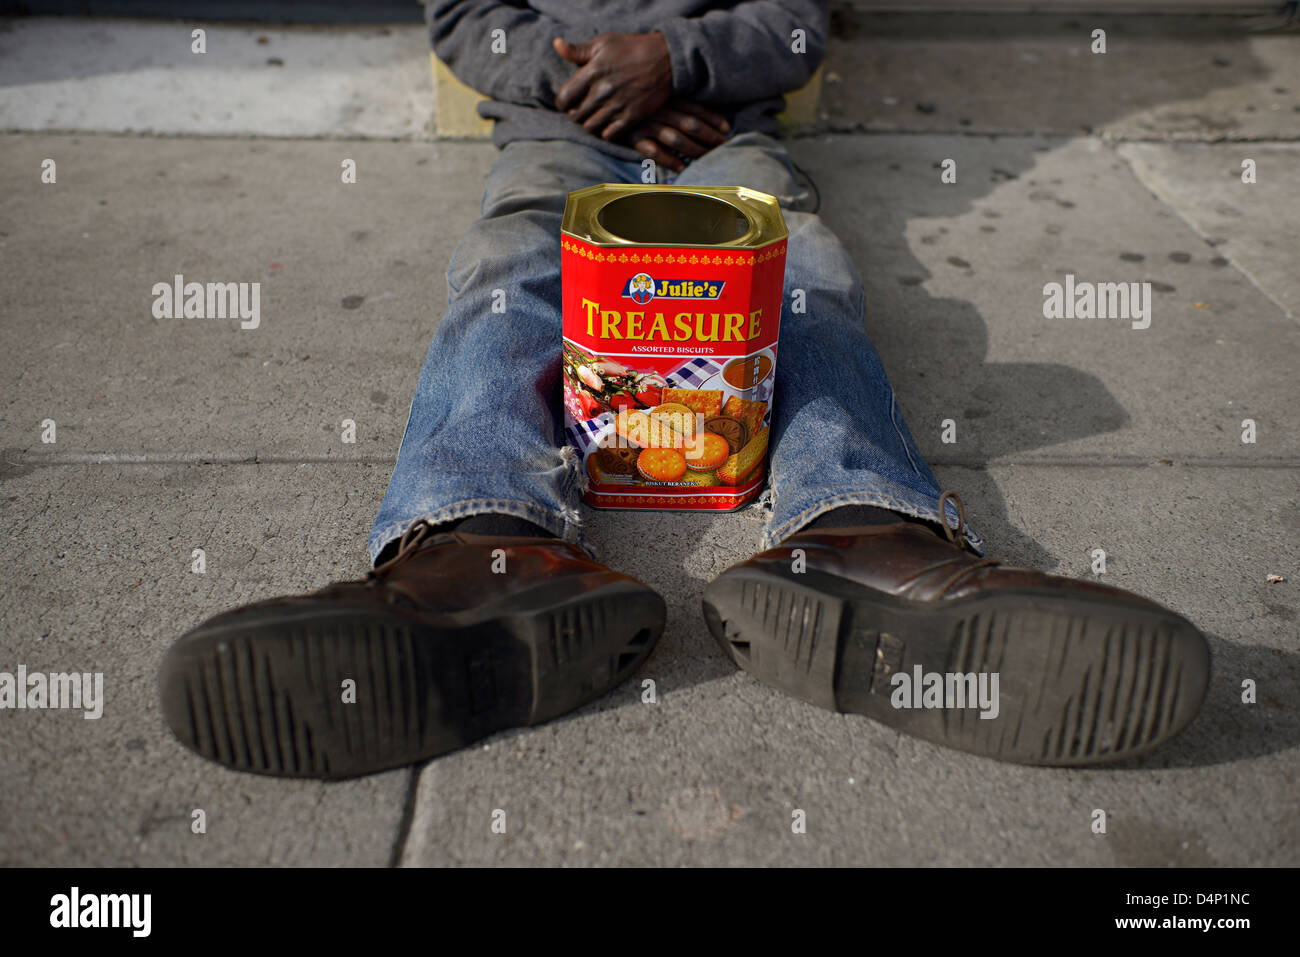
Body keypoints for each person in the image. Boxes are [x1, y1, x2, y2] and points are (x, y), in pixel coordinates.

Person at [159, 0, 1210, 779]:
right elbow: (464, 18)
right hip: (555, 137)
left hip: (722, 136)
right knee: (506, 270)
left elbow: (796, 24)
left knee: (800, 272)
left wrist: (672, 64)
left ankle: (860, 532)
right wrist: (585, 85)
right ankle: (481, 544)